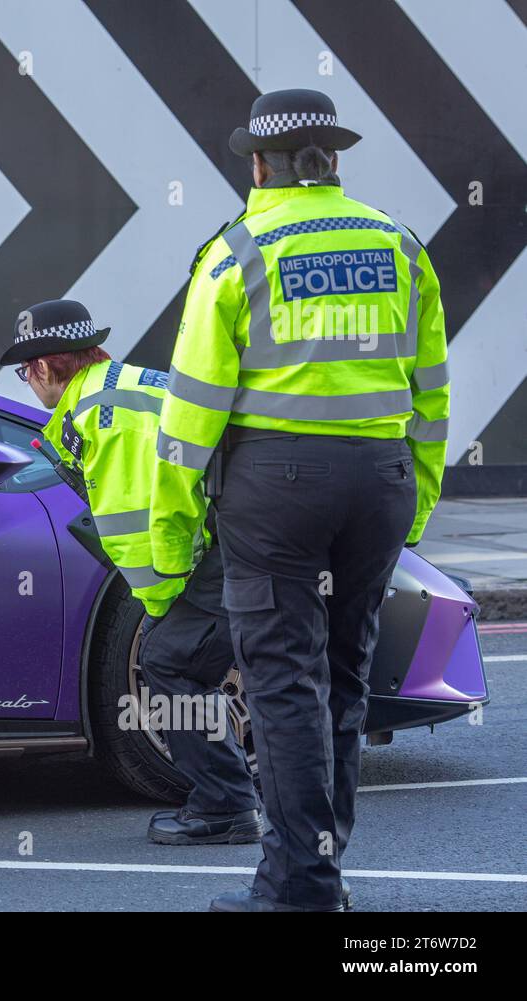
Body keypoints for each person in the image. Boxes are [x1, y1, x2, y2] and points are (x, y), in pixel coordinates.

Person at [150, 89, 449, 912]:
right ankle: (322, 872)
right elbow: (431, 394)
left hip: (275, 487)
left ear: (258, 163)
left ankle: (299, 887)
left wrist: (171, 542)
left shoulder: (235, 253)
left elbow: (190, 418)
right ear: (333, 161)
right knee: (346, 681)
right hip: (379, 479)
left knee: (282, 686)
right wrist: (415, 500)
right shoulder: (400, 245)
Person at [1, 299, 260, 845]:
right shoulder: (130, 382)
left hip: (219, 550)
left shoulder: (98, 417)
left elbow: (137, 525)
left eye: (26, 372)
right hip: (247, 533)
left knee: (169, 663)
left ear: (46, 367)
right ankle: (241, 798)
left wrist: (160, 602)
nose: (28, 382)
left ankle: (226, 807)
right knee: (243, 664)